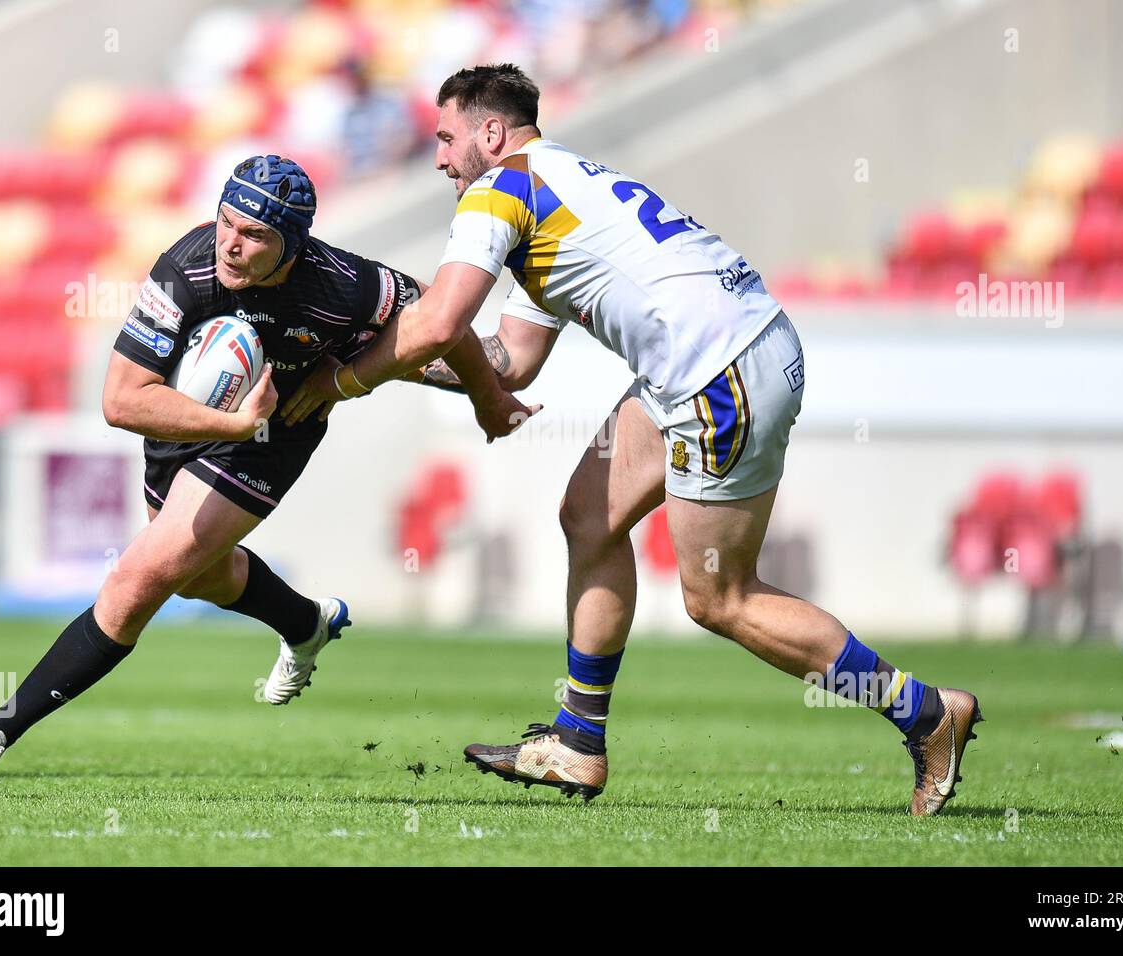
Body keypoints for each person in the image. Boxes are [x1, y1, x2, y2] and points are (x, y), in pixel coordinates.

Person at [334, 66, 983, 815]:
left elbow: (442, 323)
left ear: (491, 132)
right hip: (724, 356)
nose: (441, 159)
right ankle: (578, 742)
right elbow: (509, 360)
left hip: (717, 373)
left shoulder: (500, 188)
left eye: (447, 139)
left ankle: (926, 713)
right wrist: (403, 370)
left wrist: (344, 373)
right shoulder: (556, 187)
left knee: (720, 599)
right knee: (589, 516)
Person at [0, 154, 520, 793]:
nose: (231, 245)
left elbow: (439, 321)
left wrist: (483, 394)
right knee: (198, 578)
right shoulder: (186, 270)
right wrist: (231, 424)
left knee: (137, 581)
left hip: (279, 428)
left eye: (254, 236)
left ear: (293, 246)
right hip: (190, 420)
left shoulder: (346, 284)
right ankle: (305, 622)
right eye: (225, 223)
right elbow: (122, 401)